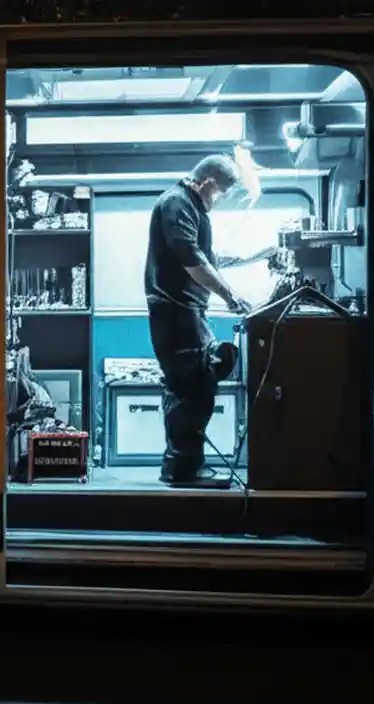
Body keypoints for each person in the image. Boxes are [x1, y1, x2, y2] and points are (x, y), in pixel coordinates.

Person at [144, 155, 255, 488]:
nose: (218, 201)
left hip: (184, 312)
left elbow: (209, 261)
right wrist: (230, 296)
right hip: (177, 312)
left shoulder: (188, 207)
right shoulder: (178, 204)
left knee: (191, 384)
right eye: (220, 193)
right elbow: (193, 261)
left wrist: (260, 254)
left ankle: (181, 465)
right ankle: (184, 469)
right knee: (195, 385)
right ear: (207, 183)